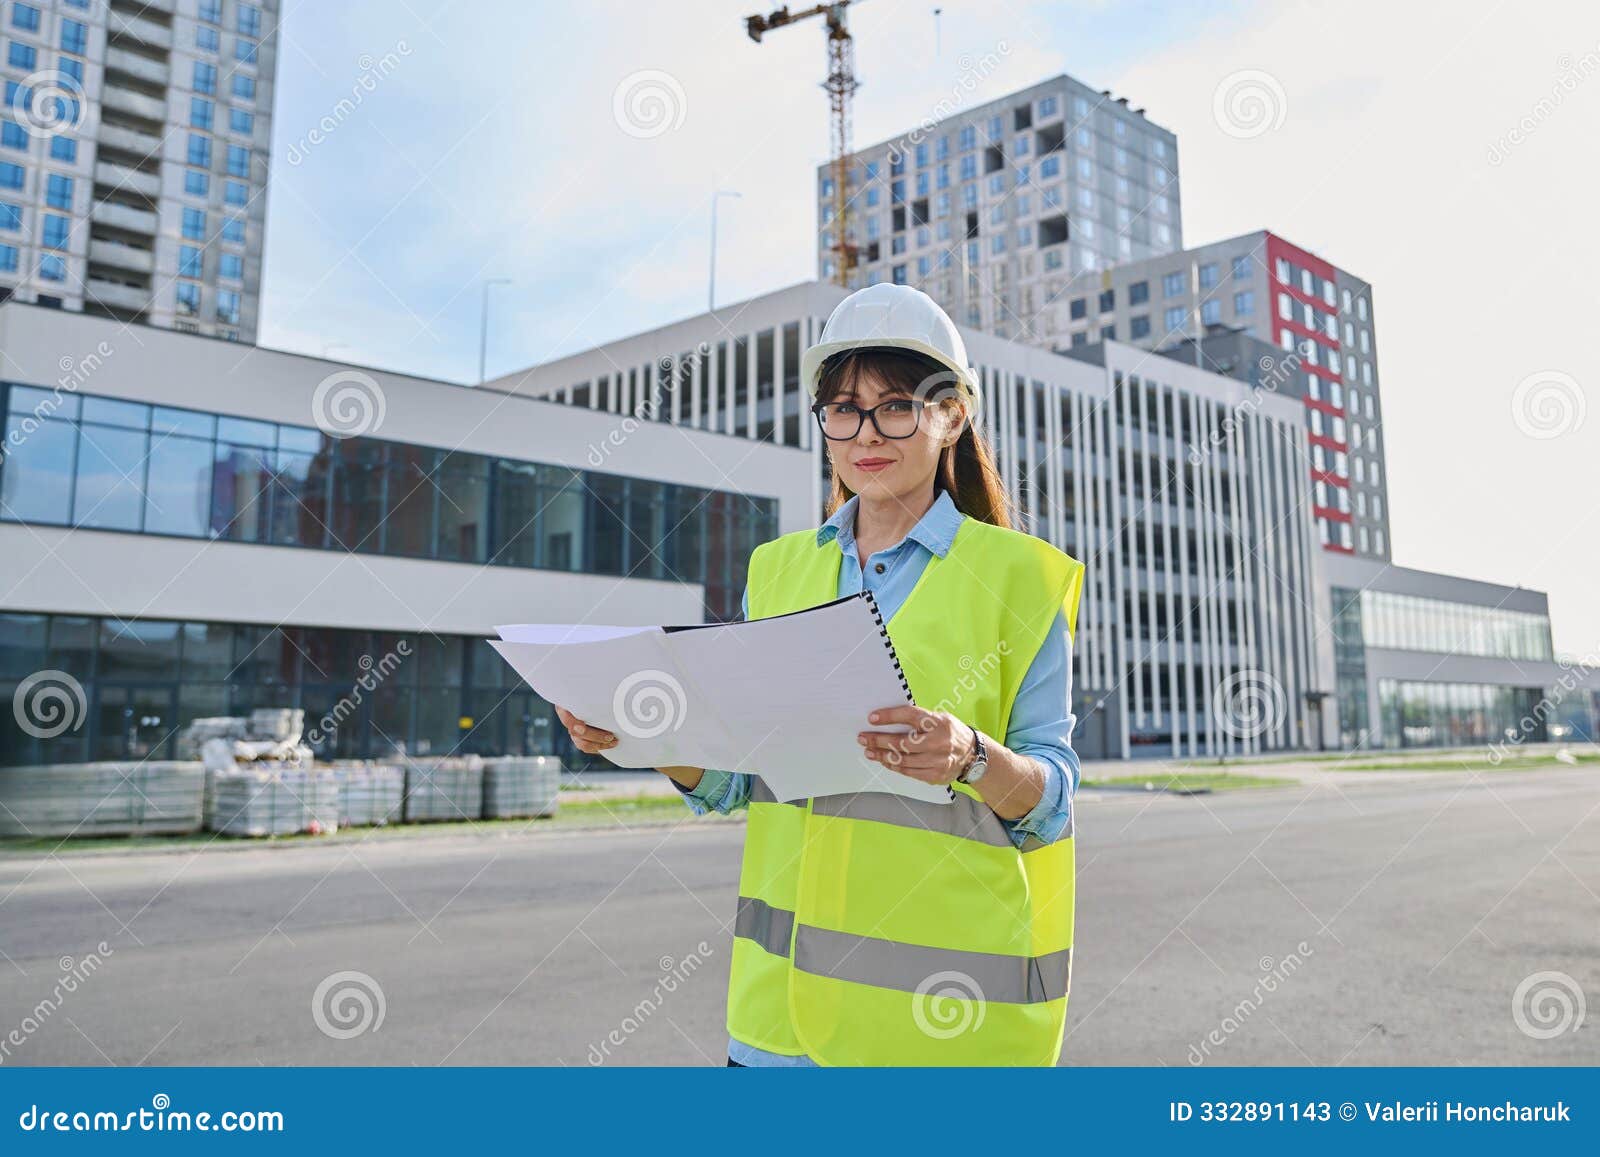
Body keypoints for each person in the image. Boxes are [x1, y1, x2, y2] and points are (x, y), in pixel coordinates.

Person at [555, 283, 1084, 1066]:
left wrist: (972, 755)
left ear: (951, 416)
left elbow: (1053, 804)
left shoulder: (1019, 580)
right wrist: (646, 733)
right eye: (843, 408)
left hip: (941, 1033)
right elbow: (737, 779)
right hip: (775, 1028)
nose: (865, 432)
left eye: (895, 405)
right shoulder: (777, 573)